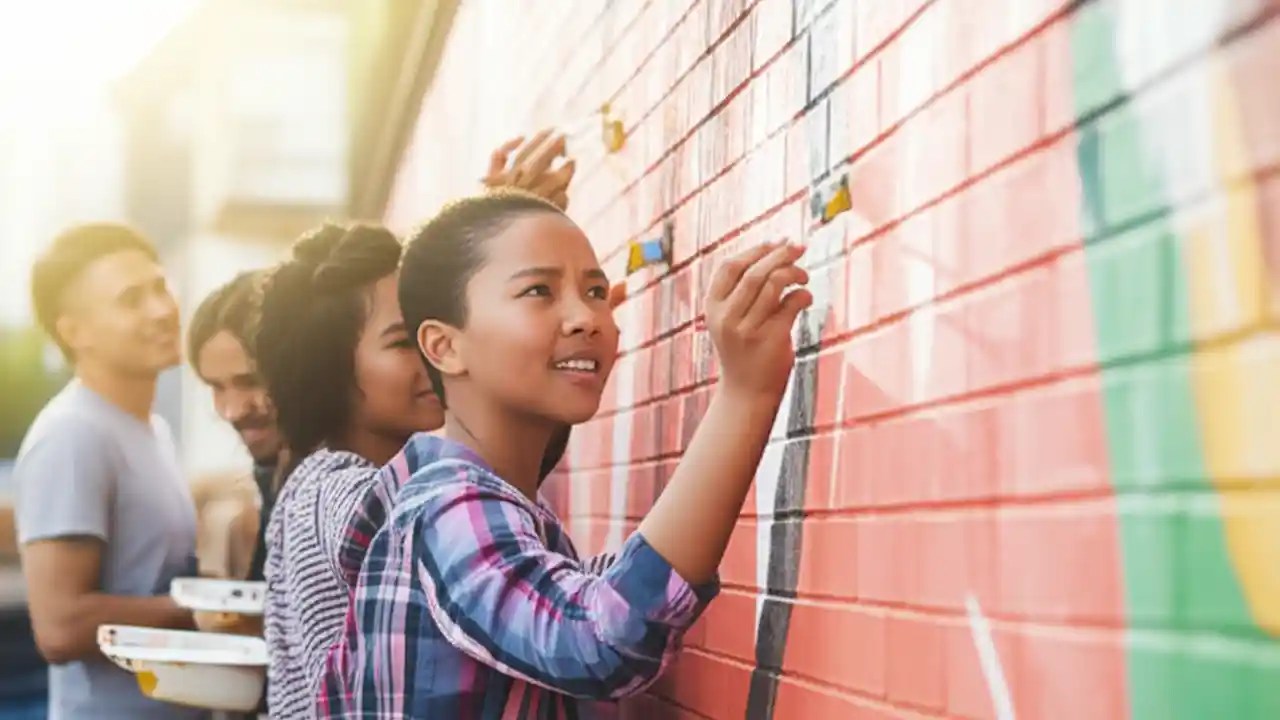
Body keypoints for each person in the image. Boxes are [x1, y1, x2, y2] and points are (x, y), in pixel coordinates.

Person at [319, 190, 811, 718]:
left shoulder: (493, 511)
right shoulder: (451, 506)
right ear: (444, 347)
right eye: (538, 291)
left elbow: (593, 590)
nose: (587, 317)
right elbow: (599, 643)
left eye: (595, 290)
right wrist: (744, 396)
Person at [253, 130, 587, 718]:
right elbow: (436, 513)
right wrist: (491, 253)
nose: (440, 351)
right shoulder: (327, 487)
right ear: (330, 370)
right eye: (406, 340)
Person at [14, 223, 203, 720]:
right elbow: (60, 626)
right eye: (131, 299)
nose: (162, 310)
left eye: (161, 287)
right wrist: (206, 610)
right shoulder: (73, 435)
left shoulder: (151, 429)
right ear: (75, 331)